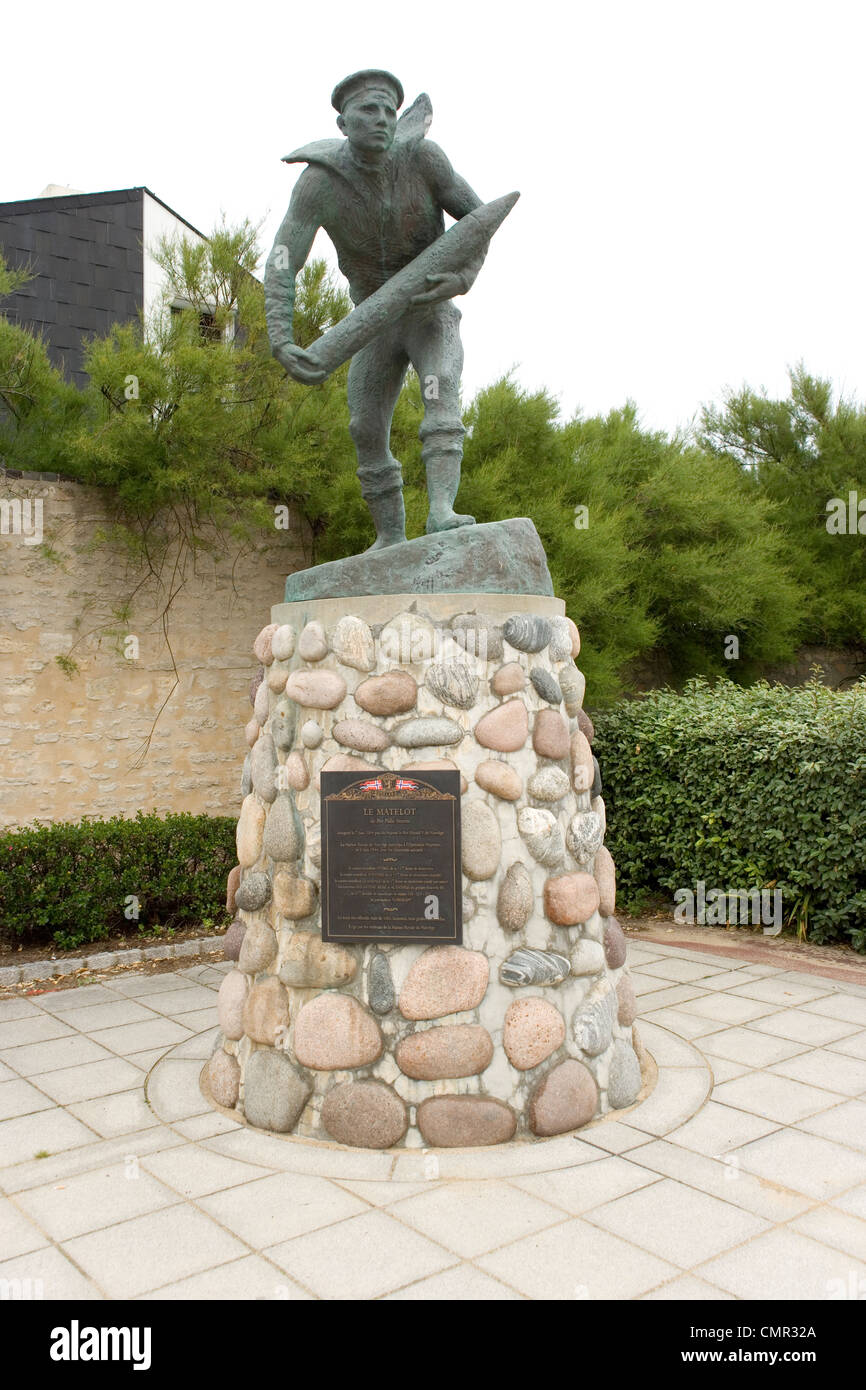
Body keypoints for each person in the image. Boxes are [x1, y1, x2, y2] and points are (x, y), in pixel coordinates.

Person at [264, 68, 487, 550]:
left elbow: (477, 218)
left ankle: (442, 512)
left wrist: (463, 278)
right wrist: (281, 336)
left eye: (389, 110)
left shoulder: (424, 159)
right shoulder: (318, 184)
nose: (382, 119)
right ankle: (389, 537)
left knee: (440, 392)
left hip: (429, 312)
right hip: (372, 323)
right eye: (368, 109)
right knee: (364, 427)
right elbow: (283, 259)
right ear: (343, 124)